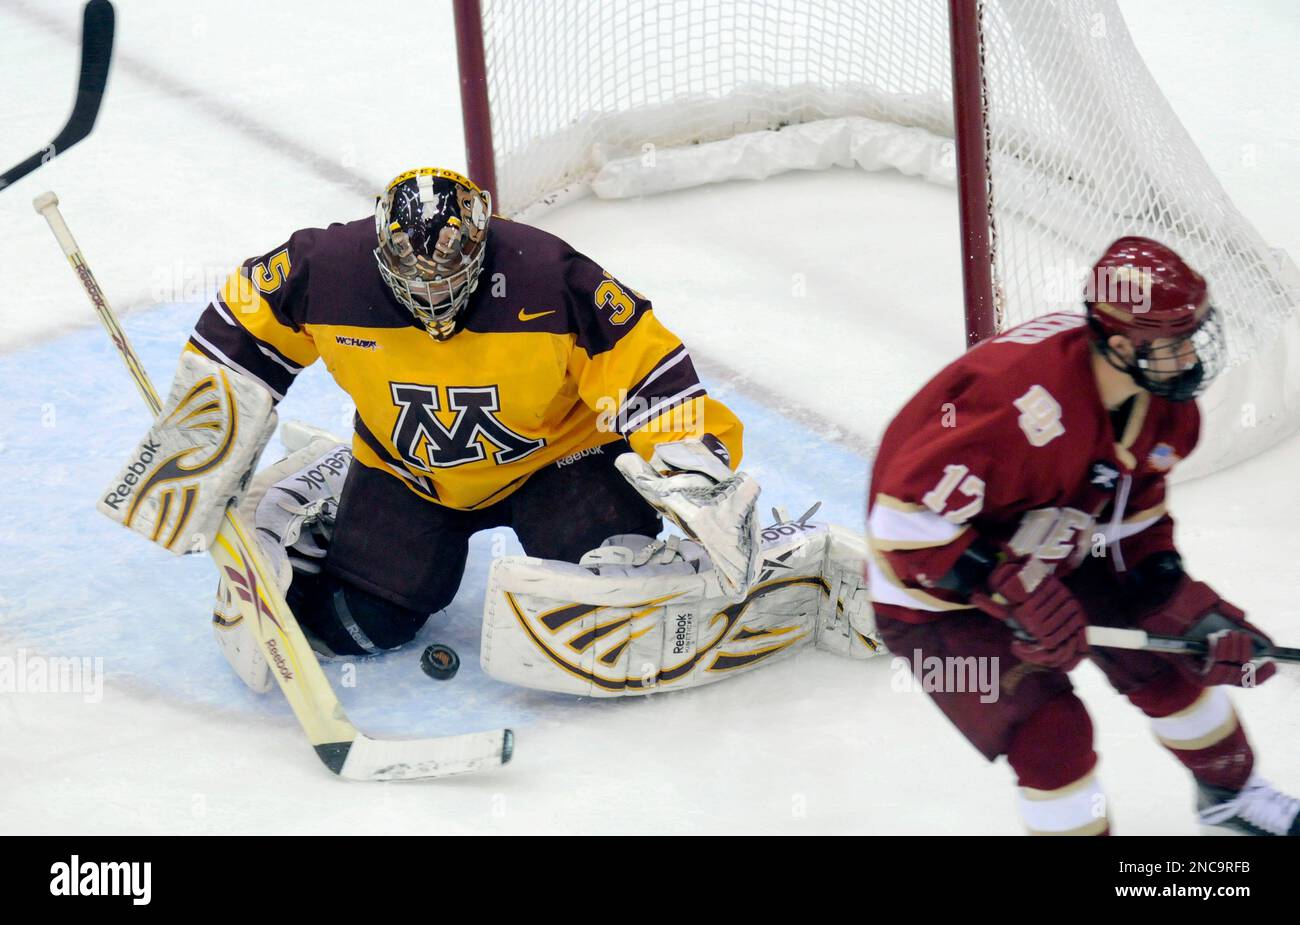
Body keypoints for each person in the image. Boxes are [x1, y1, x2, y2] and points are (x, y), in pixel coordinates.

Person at [99, 166, 876, 699]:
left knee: (610, 592)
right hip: (409, 469)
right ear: (382, 258)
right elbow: (243, 323)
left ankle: (788, 561)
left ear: (482, 247)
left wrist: (693, 464)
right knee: (358, 625)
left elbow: (645, 365)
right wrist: (202, 442)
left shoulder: (547, 273)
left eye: (449, 279)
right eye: (416, 283)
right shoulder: (326, 268)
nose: (433, 299)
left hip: (556, 463)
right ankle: (329, 490)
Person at [867, 236, 1297, 835]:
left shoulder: (1163, 409)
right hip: (937, 595)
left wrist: (1180, 605)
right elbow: (900, 523)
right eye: (1177, 344)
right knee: (1053, 736)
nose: (1194, 358)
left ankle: (1231, 797)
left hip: (1057, 549)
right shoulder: (1015, 400)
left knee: (1176, 669)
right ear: (1121, 345)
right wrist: (1001, 584)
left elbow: (1130, 525)